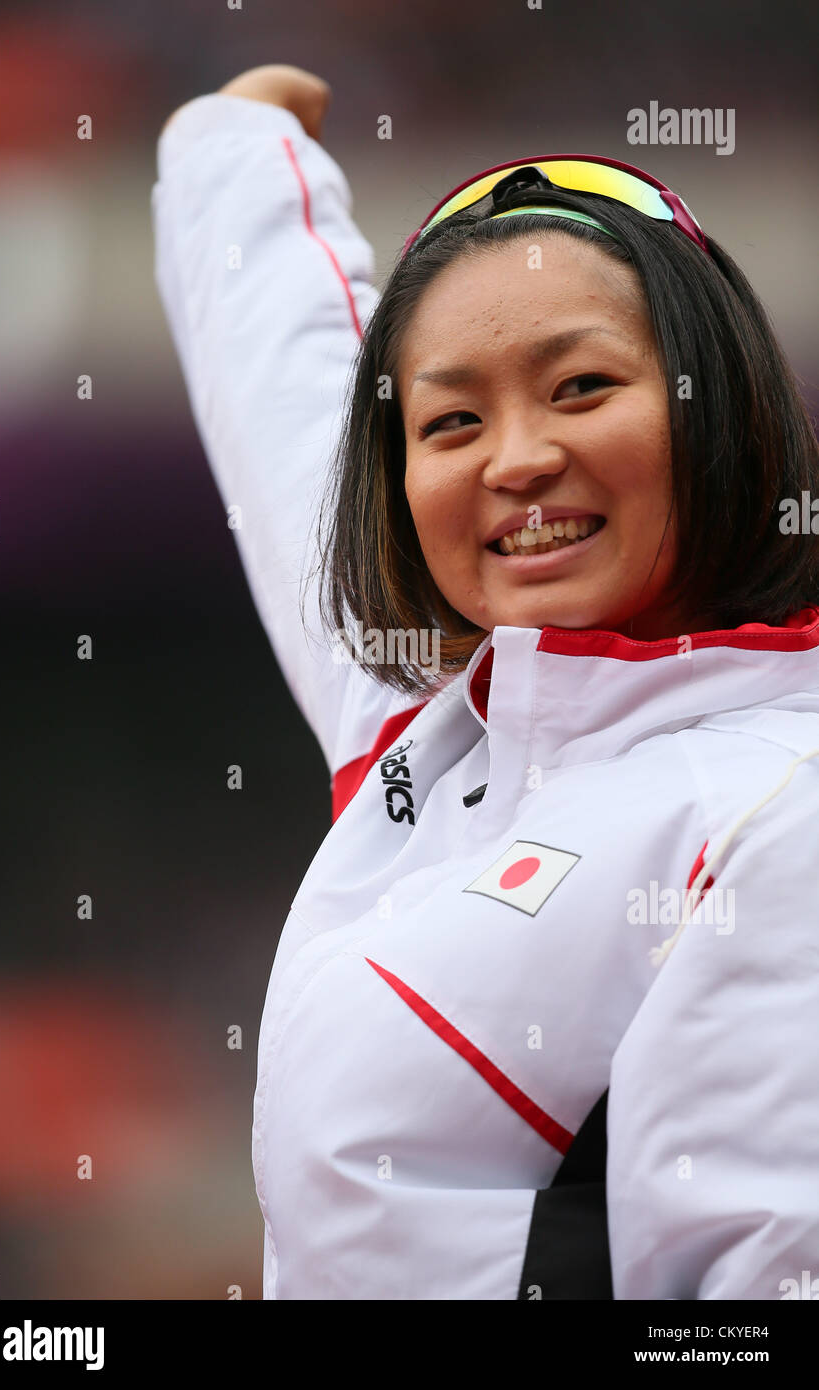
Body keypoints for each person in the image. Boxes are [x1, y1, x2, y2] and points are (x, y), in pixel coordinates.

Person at [152, 64, 819, 1300]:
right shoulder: (438, 720)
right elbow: (288, 402)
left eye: (580, 388)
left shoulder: (778, 806)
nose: (515, 459)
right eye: (450, 424)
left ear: (719, 410)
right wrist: (229, 157)